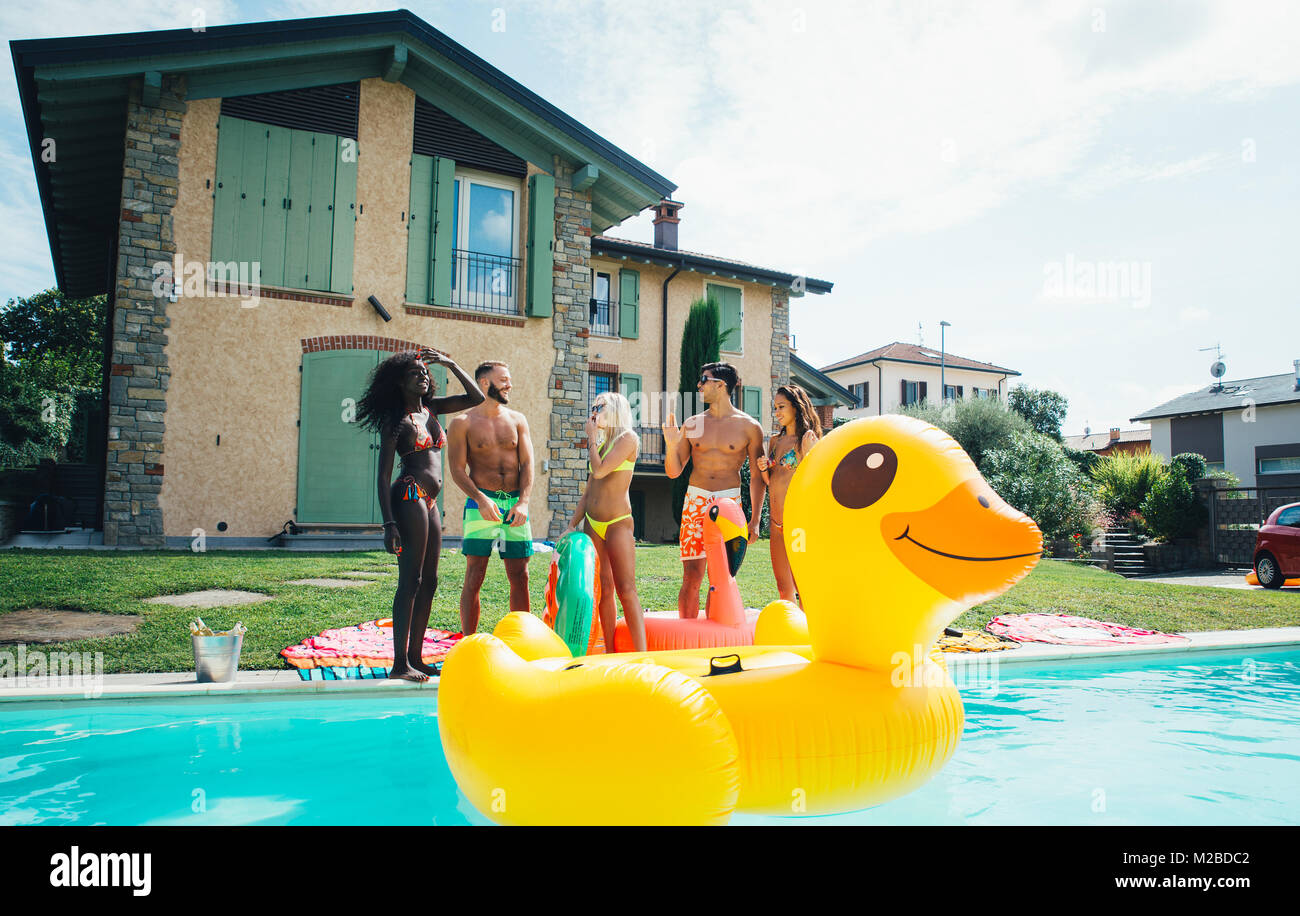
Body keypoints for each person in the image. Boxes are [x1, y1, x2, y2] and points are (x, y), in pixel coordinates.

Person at [358, 346, 483, 681]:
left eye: (426, 373)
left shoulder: (433, 411)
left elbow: (476, 397)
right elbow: (383, 476)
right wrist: (388, 524)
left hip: (430, 502)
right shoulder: (395, 421)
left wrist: (450, 363)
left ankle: (416, 657)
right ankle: (400, 664)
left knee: (430, 580)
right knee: (410, 580)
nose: (424, 377)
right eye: (416, 373)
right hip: (409, 494)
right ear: (400, 382)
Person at [661, 362, 766, 617]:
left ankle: (712, 638)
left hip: (729, 504)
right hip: (696, 499)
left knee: (719, 577)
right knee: (692, 576)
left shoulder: (750, 427)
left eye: (703, 380)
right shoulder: (693, 423)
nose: (698, 385)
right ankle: (687, 639)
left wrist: (755, 520)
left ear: (720, 385)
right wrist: (671, 445)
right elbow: (674, 472)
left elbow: (757, 477)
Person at [446, 361, 535, 634]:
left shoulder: (518, 419)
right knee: (475, 574)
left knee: (519, 575)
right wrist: (481, 500)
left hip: (514, 505)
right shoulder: (462, 423)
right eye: (504, 380)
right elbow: (457, 470)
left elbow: (528, 464)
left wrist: (523, 502)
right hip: (480, 504)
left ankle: (522, 639)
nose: (510, 385)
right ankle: (468, 639)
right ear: (486, 383)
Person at [563, 391, 647, 652]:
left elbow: (600, 470)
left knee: (626, 587)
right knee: (603, 588)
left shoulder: (627, 438)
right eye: (593, 407)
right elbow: (589, 490)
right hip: (592, 522)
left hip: (618, 522)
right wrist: (571, 524)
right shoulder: (599, 445)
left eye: (599, 407)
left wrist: (589, 437)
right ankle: (610, 650)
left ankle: (643, 653)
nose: (594, 411)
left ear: (615, 410)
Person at [755, 384, 822, 603]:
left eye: (781, 406)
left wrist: (810, 453)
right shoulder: (775, 441)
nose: (777, 413)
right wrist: (765, 468)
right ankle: (791, 635)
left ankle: (808, 633)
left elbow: (816, 480)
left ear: (797, 407)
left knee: (804, 585)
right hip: (776, 525)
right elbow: (771, 481)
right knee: (784, 588)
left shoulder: (808, 439)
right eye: (775, 407)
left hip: (798, 523)